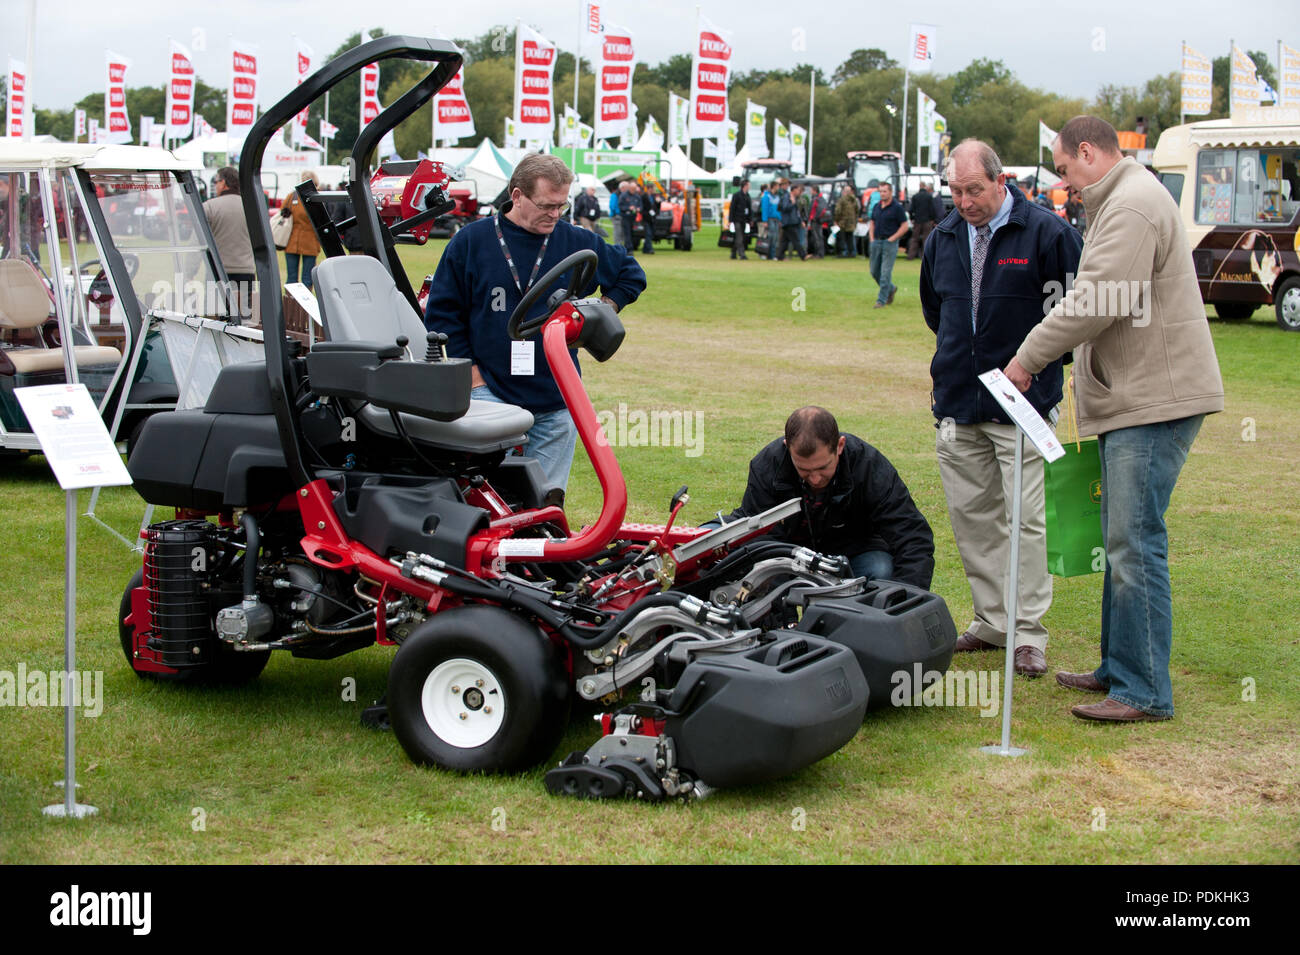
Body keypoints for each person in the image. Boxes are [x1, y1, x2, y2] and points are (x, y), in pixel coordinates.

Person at [1004, 116, 1224, 721]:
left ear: (1086, 152)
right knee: (1121, 539)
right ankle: (1119, 669)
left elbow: (1097, 300)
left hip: (1153, 402)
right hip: (1140, 398)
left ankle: (1144, 691)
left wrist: (1027, 357)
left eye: (1065, 168)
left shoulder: (1128, 205)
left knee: (1134, 542)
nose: (1064, 182)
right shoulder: (1125, 197)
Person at [920, 138, 1083, 678]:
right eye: (955, 190)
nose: (964, 201)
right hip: (958, 404)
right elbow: (937, 312)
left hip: (1024, 406)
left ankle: (1029, 633)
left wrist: (1033, 363)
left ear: (1001, 181)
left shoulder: (1048, 233)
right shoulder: (942, 237)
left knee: (1027, 521)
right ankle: (993, 620)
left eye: (973, 190)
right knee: (973, 520)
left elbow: (1074, 315)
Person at [423, 154, 647, 492]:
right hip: (490, 393)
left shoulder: (577, 241)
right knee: (490, 499)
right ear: (517, 196)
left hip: (557, 396)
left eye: (561, 205)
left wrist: (602, 308)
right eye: (546, 205)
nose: (555, 214)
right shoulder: (471, 242)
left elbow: (631, 274)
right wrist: (473, 378)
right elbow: (442, 315)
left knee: (547, 499)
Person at [726, 406, 935, 589]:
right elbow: (760, 539)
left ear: (840, 446)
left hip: (853, 550)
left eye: (823, 467)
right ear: (787, 448)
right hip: (787, 555)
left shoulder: (868, 465)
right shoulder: (767, 465)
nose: (815, 479)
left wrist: (904, 597)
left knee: (880, 569)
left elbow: (910, 534)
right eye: (804, 470)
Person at [202, 166, 255, 322]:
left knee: (216, 320)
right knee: (244, 322)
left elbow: (198, 240)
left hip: (218, 270)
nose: (216, 185)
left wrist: (189, 270)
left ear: (224, 183)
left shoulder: (209, 206)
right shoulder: (251, 207)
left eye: (216, 182)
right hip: (246, 270)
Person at [867, 182, 908, 307]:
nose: (882, 194)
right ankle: (891, 288)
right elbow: (872, 222)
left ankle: (881, 300)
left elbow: (905, 226)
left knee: (885, 272)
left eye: (884, 191)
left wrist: (893, 238)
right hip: (876, 242)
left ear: (890, 192)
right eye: (880, 191)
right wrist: (872, 238)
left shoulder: (897, 208)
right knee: (874, 271)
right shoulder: (876, 206)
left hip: (889, 243)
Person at [280, 171, 320, 290]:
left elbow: (282, 212)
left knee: (293, 278)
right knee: (306, 279)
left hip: (293, 241)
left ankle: (292, 304)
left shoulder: (292, 196)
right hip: (308, 242)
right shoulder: (317, 197)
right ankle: (303, 305)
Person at [905, 181, 939, 259]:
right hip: (927, 221)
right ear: (925, 187)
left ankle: (910, 255)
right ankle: (925, 256)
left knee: (914, 238)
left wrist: (912, 218)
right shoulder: (929, 196)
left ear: (919, 186)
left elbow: (911, 209)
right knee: (926, 238)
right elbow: (932, 209)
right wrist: (933, 219)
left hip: (917, 220)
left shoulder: (915, 196)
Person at [777, 182, 806, 261]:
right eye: (797, 190)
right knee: (795, 240)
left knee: (784, 241)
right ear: (793, 190)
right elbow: (785, 208)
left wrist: (800, 221)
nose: (798, 192)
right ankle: (803, 255)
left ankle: (779, 256)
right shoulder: (787, 197)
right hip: (788, 222)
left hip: (793, 221)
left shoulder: (794, 198)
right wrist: (792, 203)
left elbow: (797, 212)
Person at [728, 179, 753, 260]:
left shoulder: (747, 196)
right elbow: (732, 208)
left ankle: (733, 252)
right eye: (749, 185)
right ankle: (742, 254)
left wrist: (750, 219)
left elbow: (749, 209)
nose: (749, 187)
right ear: (745, 186)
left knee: (741, 236)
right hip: (737, 219)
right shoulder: (737, 195)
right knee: (739, 237)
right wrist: (730, 220)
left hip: (744, 219)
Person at [834, 185, 860, 258]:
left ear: (844, 192)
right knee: (850, 238)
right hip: (851, 222)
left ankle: (843, 252)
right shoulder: (854, 200)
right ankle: (852, 252)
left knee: (842, 238)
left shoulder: (842, 200)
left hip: (843, 222)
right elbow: (857, 210)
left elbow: (838, 210)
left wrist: (836, 220)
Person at [761, 181, 782, 260]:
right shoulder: (767, 196)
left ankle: (773, 254)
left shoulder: (777, 197)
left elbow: (779, 209)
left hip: (776, 219)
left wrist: (780, 219)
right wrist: (765, 220)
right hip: (770, 219)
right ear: (774, 186)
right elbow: (765, 209)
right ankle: (767, 253)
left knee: (775, 237)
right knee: (770, 236)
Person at [618, 180, 639, 254]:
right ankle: (628, 249)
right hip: (626, 217)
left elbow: (640, 205)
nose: (633, 190)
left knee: (633, 233)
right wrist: (628, 208)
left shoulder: (637, 196)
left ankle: (632, 247)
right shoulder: (623, 196)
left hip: (634, 217)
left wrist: (638, 208)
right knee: (627, 233)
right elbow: (620, 206)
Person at [639, 182, 659, 255]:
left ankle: (645, 248)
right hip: (646, 217)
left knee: (651, 233)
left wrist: (658, 202)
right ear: (649, 188)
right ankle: (650, 249)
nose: (654, 190)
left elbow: (657, 207)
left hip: (652, 218)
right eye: (653, 188)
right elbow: (643, 207)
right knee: (648, 233)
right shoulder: (643, 196)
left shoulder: (654, 197)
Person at [609, 183, 624, 247]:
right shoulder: (615, 195)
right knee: (617, 232)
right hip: (616, 216)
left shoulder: (622, 194)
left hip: (621, 215)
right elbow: (612, 206)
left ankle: (620, 246)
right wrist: (617, 213)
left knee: (621, 232)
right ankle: (617, 246)